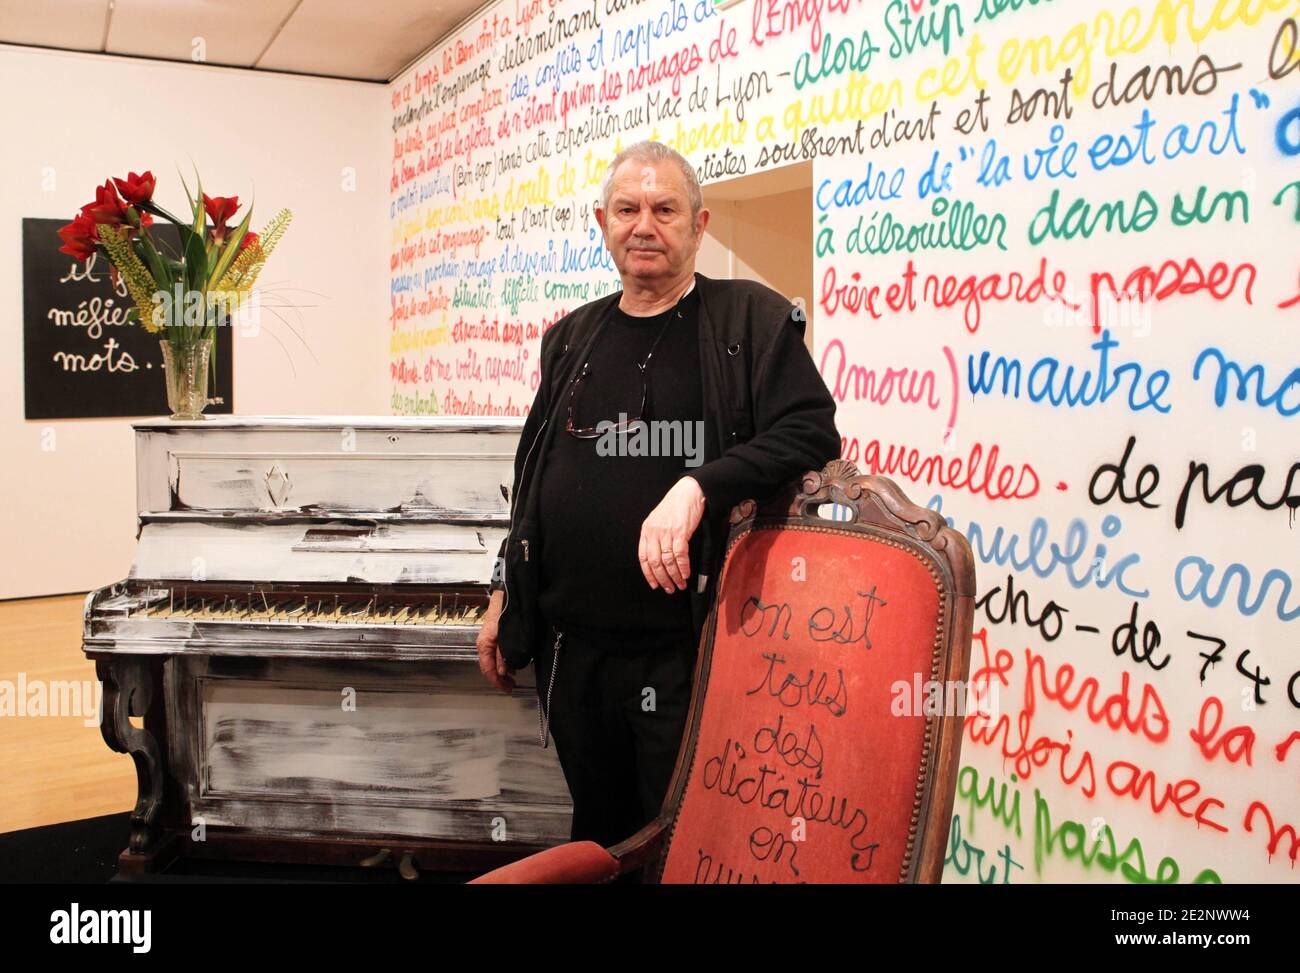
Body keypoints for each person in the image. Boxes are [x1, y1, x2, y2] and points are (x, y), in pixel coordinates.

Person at [476, 140, 839, 877]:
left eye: (665, 209)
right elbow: (535, 471)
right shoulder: (572, 336)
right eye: (629, 209)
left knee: (681, 841)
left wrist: (699, 484)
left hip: (683, 654)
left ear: (698, 223)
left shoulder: (748, 321)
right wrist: (502, 589)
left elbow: (811, 431)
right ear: (602, 222)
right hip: (571, 652)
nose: (646, 224)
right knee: (600, 837)